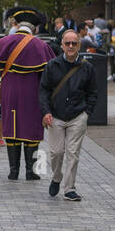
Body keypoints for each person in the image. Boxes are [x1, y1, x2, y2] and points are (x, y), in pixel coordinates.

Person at [0, 7, 56, 181]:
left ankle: (13, 171)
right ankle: (31, 172)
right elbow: (51, 71)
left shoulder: (5, 41)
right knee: (31, 128)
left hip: (9, 91)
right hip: (32, 91)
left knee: (11, 126)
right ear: (34, 28)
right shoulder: (41, 45)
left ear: (17, 25)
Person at [40, 29, 99, 202]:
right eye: (67, 43)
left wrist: (87, 112)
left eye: (74, 43)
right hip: (56, 115)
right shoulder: (52, 65)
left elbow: (93, 92)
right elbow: (43, 91)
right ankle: (56, 177)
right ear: (62, 45)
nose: (71, 46)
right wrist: (46, 112)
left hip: (77, 116)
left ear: (79, 45)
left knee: (73, 153)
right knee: (56, 153)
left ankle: (69, 188)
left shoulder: (87, 67)